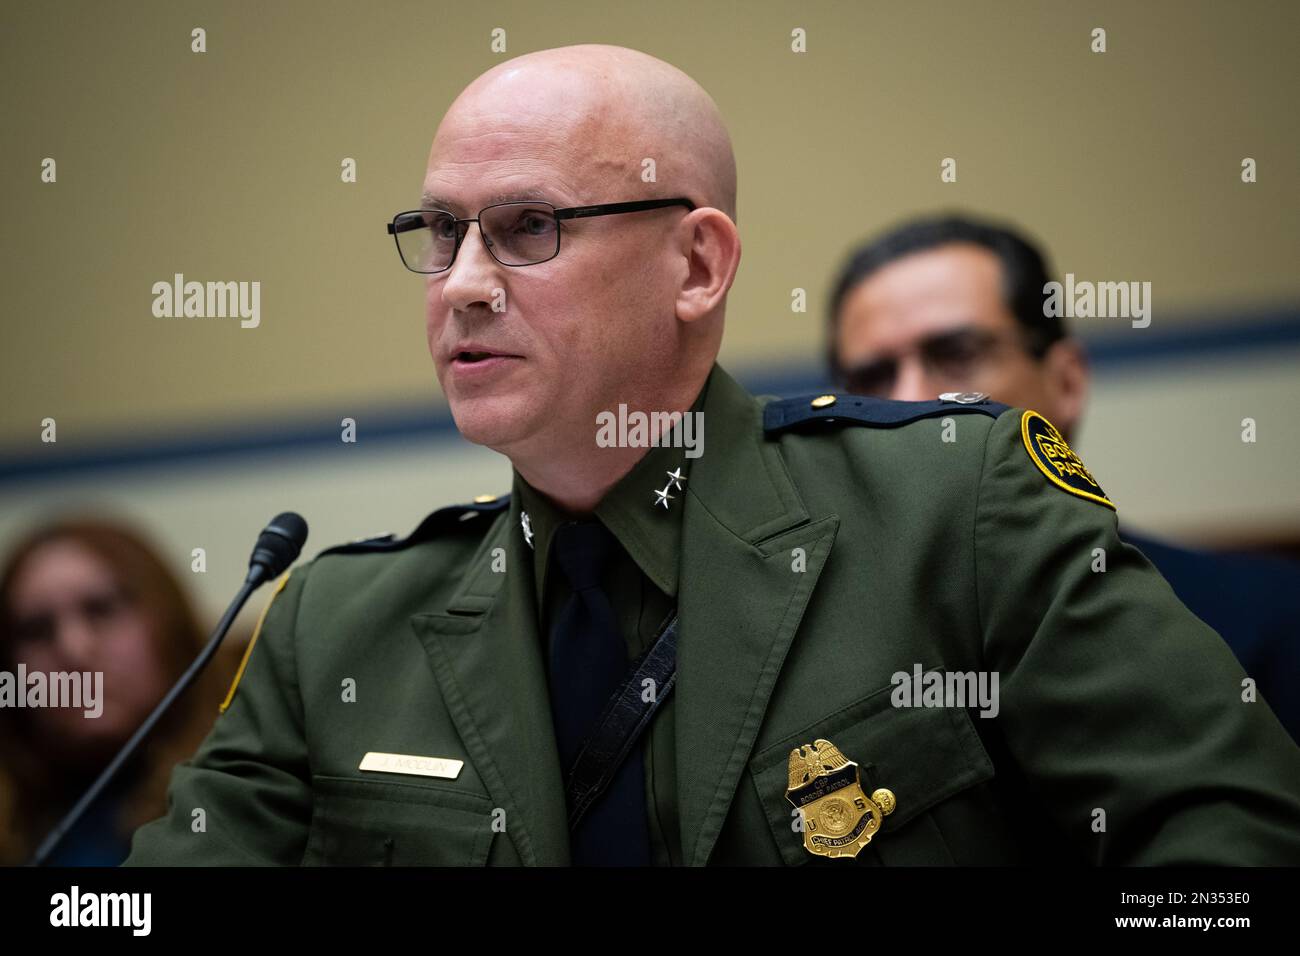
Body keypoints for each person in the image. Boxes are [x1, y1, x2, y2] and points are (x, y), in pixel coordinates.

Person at [125, 45, 1300, 867]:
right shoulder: (338, 620)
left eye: (528, 227)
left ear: (696, 265)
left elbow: (1227, 826)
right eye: (441, 233)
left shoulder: (951, 507)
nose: (465, 283)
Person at [828, 213, 1300, 743]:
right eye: (870, 379)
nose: (909, 402)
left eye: (958, 355)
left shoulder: (1264, 622)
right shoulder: (820, 662)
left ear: (1066, 383)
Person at [0, 517, 243, 865]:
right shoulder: (16, 831)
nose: (73, 649)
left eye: (101, 609)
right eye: (36, 630)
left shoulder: (258, 797)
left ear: (169, 626)